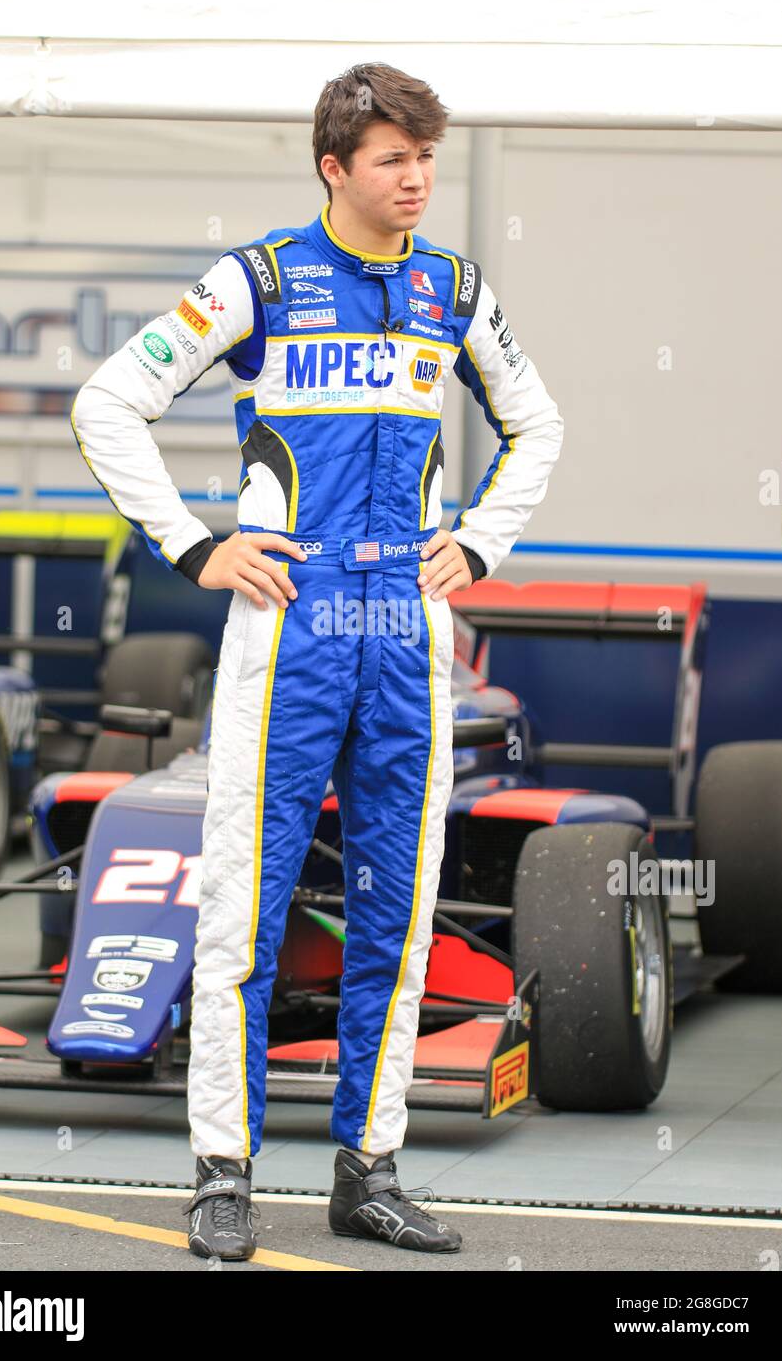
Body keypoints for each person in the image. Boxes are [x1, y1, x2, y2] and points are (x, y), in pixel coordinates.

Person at [71, 62, 564, 1260]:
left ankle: (369, 1169)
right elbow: (106, 402)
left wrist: (479, 545)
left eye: (426, 159)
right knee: (244, 908)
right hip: (284, 631)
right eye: (393, 159)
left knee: (395, 916)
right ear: (333, 168)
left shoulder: (452, 290)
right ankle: (223, 1176)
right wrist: (197, 549)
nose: (417, 180)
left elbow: (536, 420)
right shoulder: (260, 279)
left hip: (406, 636)